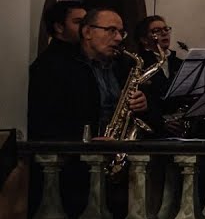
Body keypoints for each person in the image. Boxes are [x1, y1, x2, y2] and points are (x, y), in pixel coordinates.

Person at [28, 8, 150, 141]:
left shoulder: (122, 66)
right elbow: (46, 119)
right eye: (111, 30)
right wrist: (88, 142)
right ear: (87, 32)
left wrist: (142, 103)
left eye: (121, 32)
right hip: (79, 154)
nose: (119, 38)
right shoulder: (56, 66)